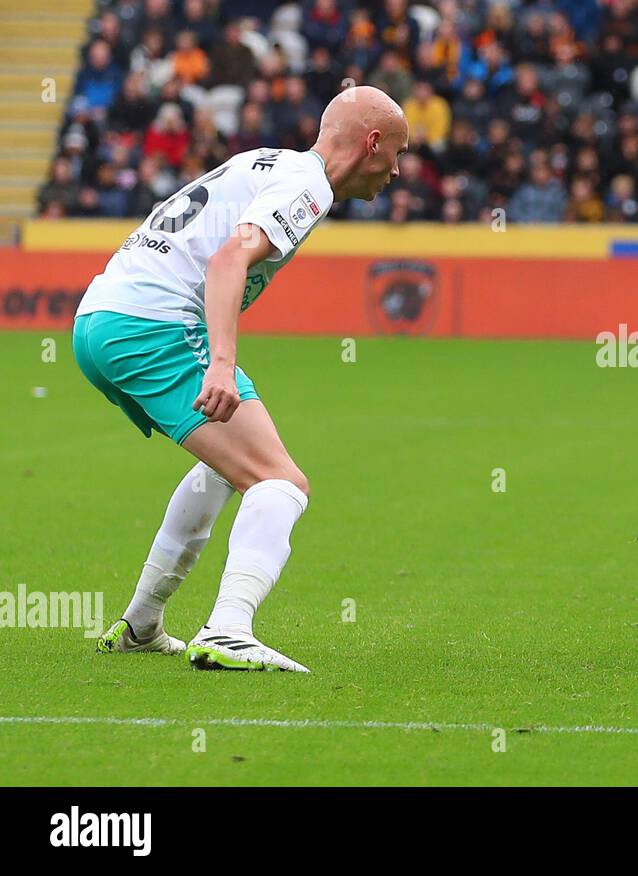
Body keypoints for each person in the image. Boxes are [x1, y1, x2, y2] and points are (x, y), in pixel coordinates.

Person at [75, 86, 409, 672]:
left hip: (99, 320)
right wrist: (221, 363)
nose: (397, 169)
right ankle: (229, 629)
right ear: (371, 143)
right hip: (153, 324)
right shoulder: (308, 186)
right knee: (281, 482)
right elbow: (231, 257)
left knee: (225, 469)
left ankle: (142, 624)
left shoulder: (267, 161)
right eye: (397, 153)